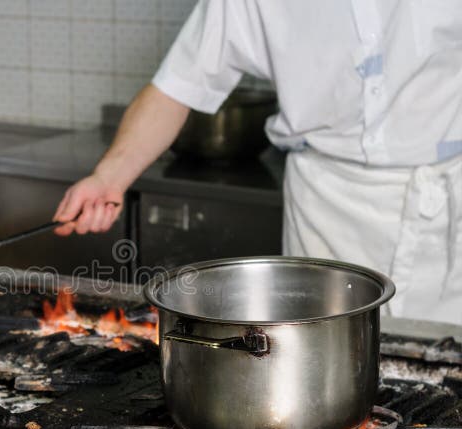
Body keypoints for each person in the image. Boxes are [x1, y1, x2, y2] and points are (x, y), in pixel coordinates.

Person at [52, 1, 462, 324]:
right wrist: (109, 177)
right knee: (333, 370)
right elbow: (177, 86)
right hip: (327, 206)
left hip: (450, 202)